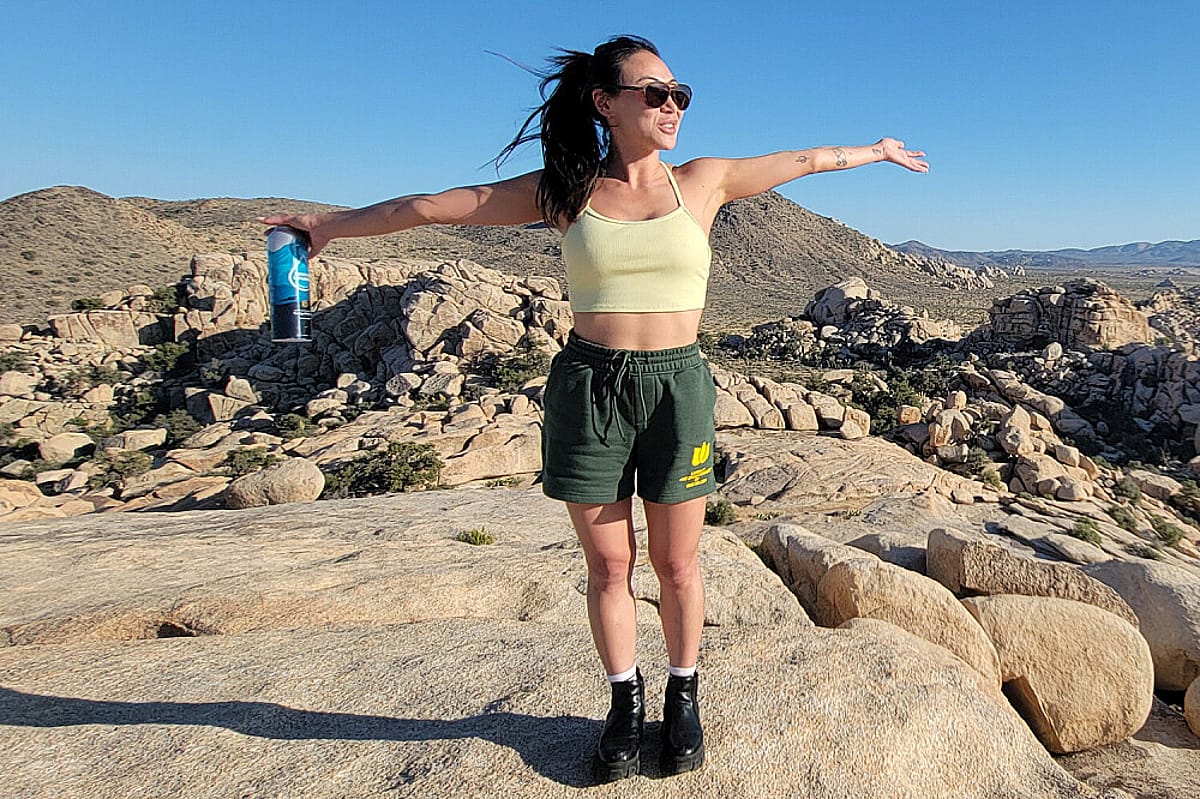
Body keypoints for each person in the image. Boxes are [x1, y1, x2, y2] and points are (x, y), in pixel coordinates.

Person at [260, 33, 928, 782]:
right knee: (611, 564)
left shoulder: (702, 182)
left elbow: (806, 161)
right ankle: (622, 700)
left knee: (678, 561)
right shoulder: (564, 191)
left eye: (680, 94)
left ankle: (682, 694)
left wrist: (875, 149)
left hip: (677, 384)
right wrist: (328, 226)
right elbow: (430, 207)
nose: (672, 105)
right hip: (589, 385)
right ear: (606, 103)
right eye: (654, 93)